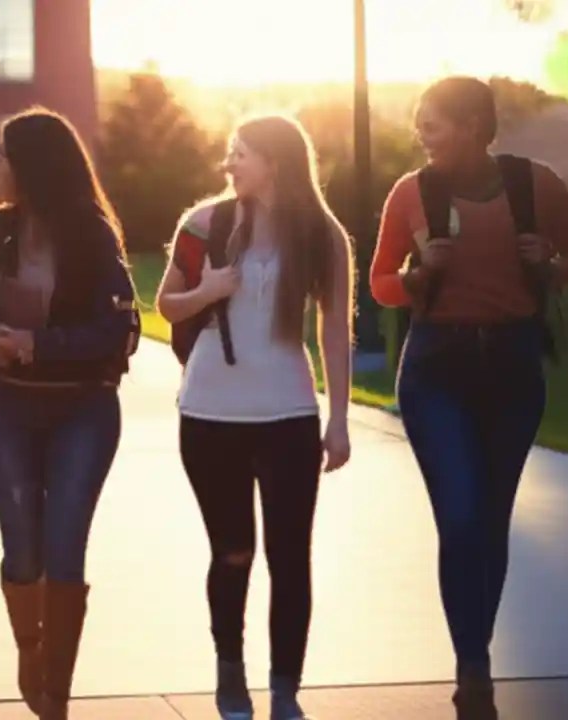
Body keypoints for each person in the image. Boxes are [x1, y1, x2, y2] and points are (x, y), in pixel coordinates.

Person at [371, 76, 568, 720]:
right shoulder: (411, 192)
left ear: (473, 124)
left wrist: (549, 262)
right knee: (463, 514)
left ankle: (476, 657)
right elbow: (382, 282)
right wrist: (419, 276)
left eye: (432, 122)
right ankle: (473, 665)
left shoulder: (536, 185)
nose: (421, 134)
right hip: (436, 369)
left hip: (513, 368)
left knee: (491, 519)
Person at [156, 114, 354, 720]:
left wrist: (339, 419)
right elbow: (166, 303)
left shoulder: (323, 234)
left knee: (291, 557)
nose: (229, 164)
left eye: (239, 153)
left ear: (275, 160)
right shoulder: (203, 224)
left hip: (289, 414)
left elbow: (334, 331)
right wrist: (209, 290)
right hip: (210, 413)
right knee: (233, 551)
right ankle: (229, 673)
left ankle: (286, 689)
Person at [0, 107, 141, 720]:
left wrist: (41, 345)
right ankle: (30, 649)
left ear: (31, 164)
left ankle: (56, 695)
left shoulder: (92, 231)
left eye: (3, 155)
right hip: (9, 406)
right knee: (22, 551)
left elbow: (118, 328)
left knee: (64, 550)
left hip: (83, 409)